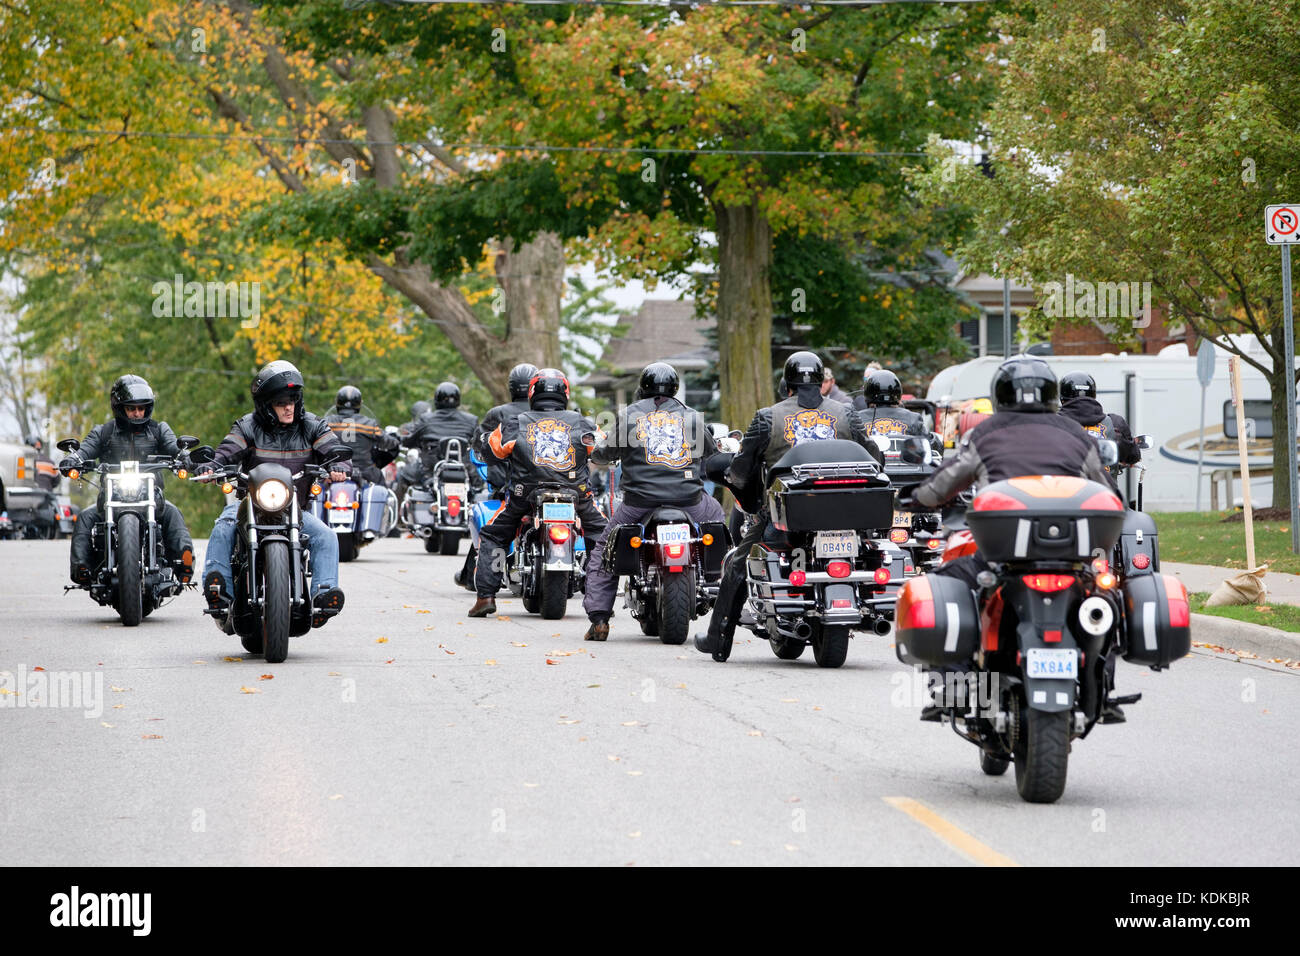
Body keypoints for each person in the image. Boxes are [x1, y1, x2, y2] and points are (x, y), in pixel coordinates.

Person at [906, 357, 1122, 720]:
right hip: (1072, 557)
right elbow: (1108, 492)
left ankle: (955, 684)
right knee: (1105, 601)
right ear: (1052, 394)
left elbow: (942, 484)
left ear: (1000, 395)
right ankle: (1103, 688)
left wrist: (913, 498)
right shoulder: (1075, 434)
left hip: (1004, 556)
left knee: (950, 587)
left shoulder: (986, 433)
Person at [694, 351, 878, 661]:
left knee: (739, 562)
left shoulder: (768, 417)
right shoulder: (847, 414)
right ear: (822, 381)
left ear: (787, 385)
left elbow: (740, 472)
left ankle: (718, 640)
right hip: (848, 518)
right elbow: (876, 458)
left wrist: (735, 476)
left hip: (787, 520)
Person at [197, 360, 349, 627]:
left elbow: (334, 451)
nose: (288, 406)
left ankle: (324, 594)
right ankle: (218, 589)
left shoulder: (312, 426)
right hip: (250, 505)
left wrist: (339, 465)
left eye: (292, 399)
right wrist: (212, 466)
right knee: (225, 524)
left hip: (294, 510)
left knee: (325, 535)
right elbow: (226, 452)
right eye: (281, 402)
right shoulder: (248, 426)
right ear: (267, 405)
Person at [581, 362, 725, 641]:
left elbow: (605, 453)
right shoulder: (692, 417)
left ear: (643, 388)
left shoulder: (628, 416)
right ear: (675, 388)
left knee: (604, 548)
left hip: (639, 502)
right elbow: (711, 455)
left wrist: (596, 455)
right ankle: (714, 582)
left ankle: (599, 619)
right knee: (718, 521)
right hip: (689, 500)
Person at [469, 368, 607, 617]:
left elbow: (491, 452)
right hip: (576, 492)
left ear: (533, 392)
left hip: (526, 493)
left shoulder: (515, 423)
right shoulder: (583, 422)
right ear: (565, 392)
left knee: (493, 534)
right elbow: (603, 449)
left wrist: (489, 444)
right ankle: (600, 598)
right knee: (601, 534)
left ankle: (486, 596)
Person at [59, 375, 194, 586]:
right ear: (120, 408)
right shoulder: (103, 432)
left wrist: (184, 457)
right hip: (112, 497)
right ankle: (82, 567)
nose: (137, 413)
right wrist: (73, 459)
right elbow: (85, 450)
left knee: (172, 513)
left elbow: (174, 449)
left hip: (151, 496)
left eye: (141, 408)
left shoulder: (159, 430)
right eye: (132, 408)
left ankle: (184, 564)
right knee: (85, 518)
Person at [454, 363, 538, 589]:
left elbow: (479, 448)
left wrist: (494, 470)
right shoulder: (559, 415)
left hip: (511, 488)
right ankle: (597, 581)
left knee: (491, 530)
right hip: (561, 488)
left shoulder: (498, 414)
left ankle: (483, 590)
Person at [1058, 371, 1141, 468]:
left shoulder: (1050, 422)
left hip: (1064, 482)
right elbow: (1132, 457)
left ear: (1062, 398)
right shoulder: (1114, 423)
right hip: (1103, 482)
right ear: (1093, 395)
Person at [323, 385, 400, 486]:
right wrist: (397, 439)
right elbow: (389, 442)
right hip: (366, 473)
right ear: (359, 404)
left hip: (333, 473)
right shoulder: (369, 424)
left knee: (313, 493)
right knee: (382, 491)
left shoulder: (326, 423)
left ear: (337, 403)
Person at [853, 369, 928, 437]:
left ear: (868, 393)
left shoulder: (857, 419)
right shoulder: (913, 419)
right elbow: (931, 443)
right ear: (898, 392)